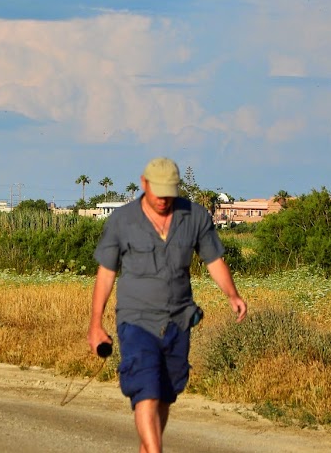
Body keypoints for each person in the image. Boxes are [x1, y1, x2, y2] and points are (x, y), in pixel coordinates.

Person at [88, 157, 247, 453]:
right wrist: (95, 324)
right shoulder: (122, 220)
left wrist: (232, 295)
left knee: (164, 393)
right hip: (136, 320)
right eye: (158, 192)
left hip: (178, 320)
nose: (163, 199)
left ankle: (150, 448)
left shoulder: (194, 216)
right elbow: (106, 273)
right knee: (145, 390)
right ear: (144, 184)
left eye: (169, 193)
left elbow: (213, 260)